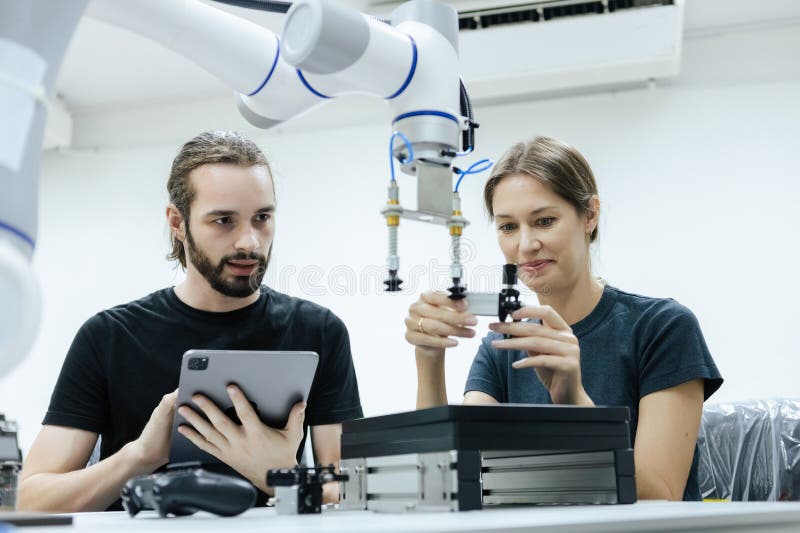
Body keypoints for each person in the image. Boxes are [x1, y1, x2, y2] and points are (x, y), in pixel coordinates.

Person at [18, 131, 362, 512]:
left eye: (262, 218)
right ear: (178, 223)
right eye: (224, 221)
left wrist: (279, 474)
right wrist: (140, 456)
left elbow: (351, 494)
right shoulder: (109, 337)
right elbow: (31, 500)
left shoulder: (320, 332)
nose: (249, 242)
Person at [405, 136, 722, 501]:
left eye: (544, 221)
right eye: (508, 227)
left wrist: (575, 402)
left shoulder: (662, 328)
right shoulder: (501, 348)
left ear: (590, 215)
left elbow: (659, 494)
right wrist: (429, 360)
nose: (525, 245)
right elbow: (446, 481)